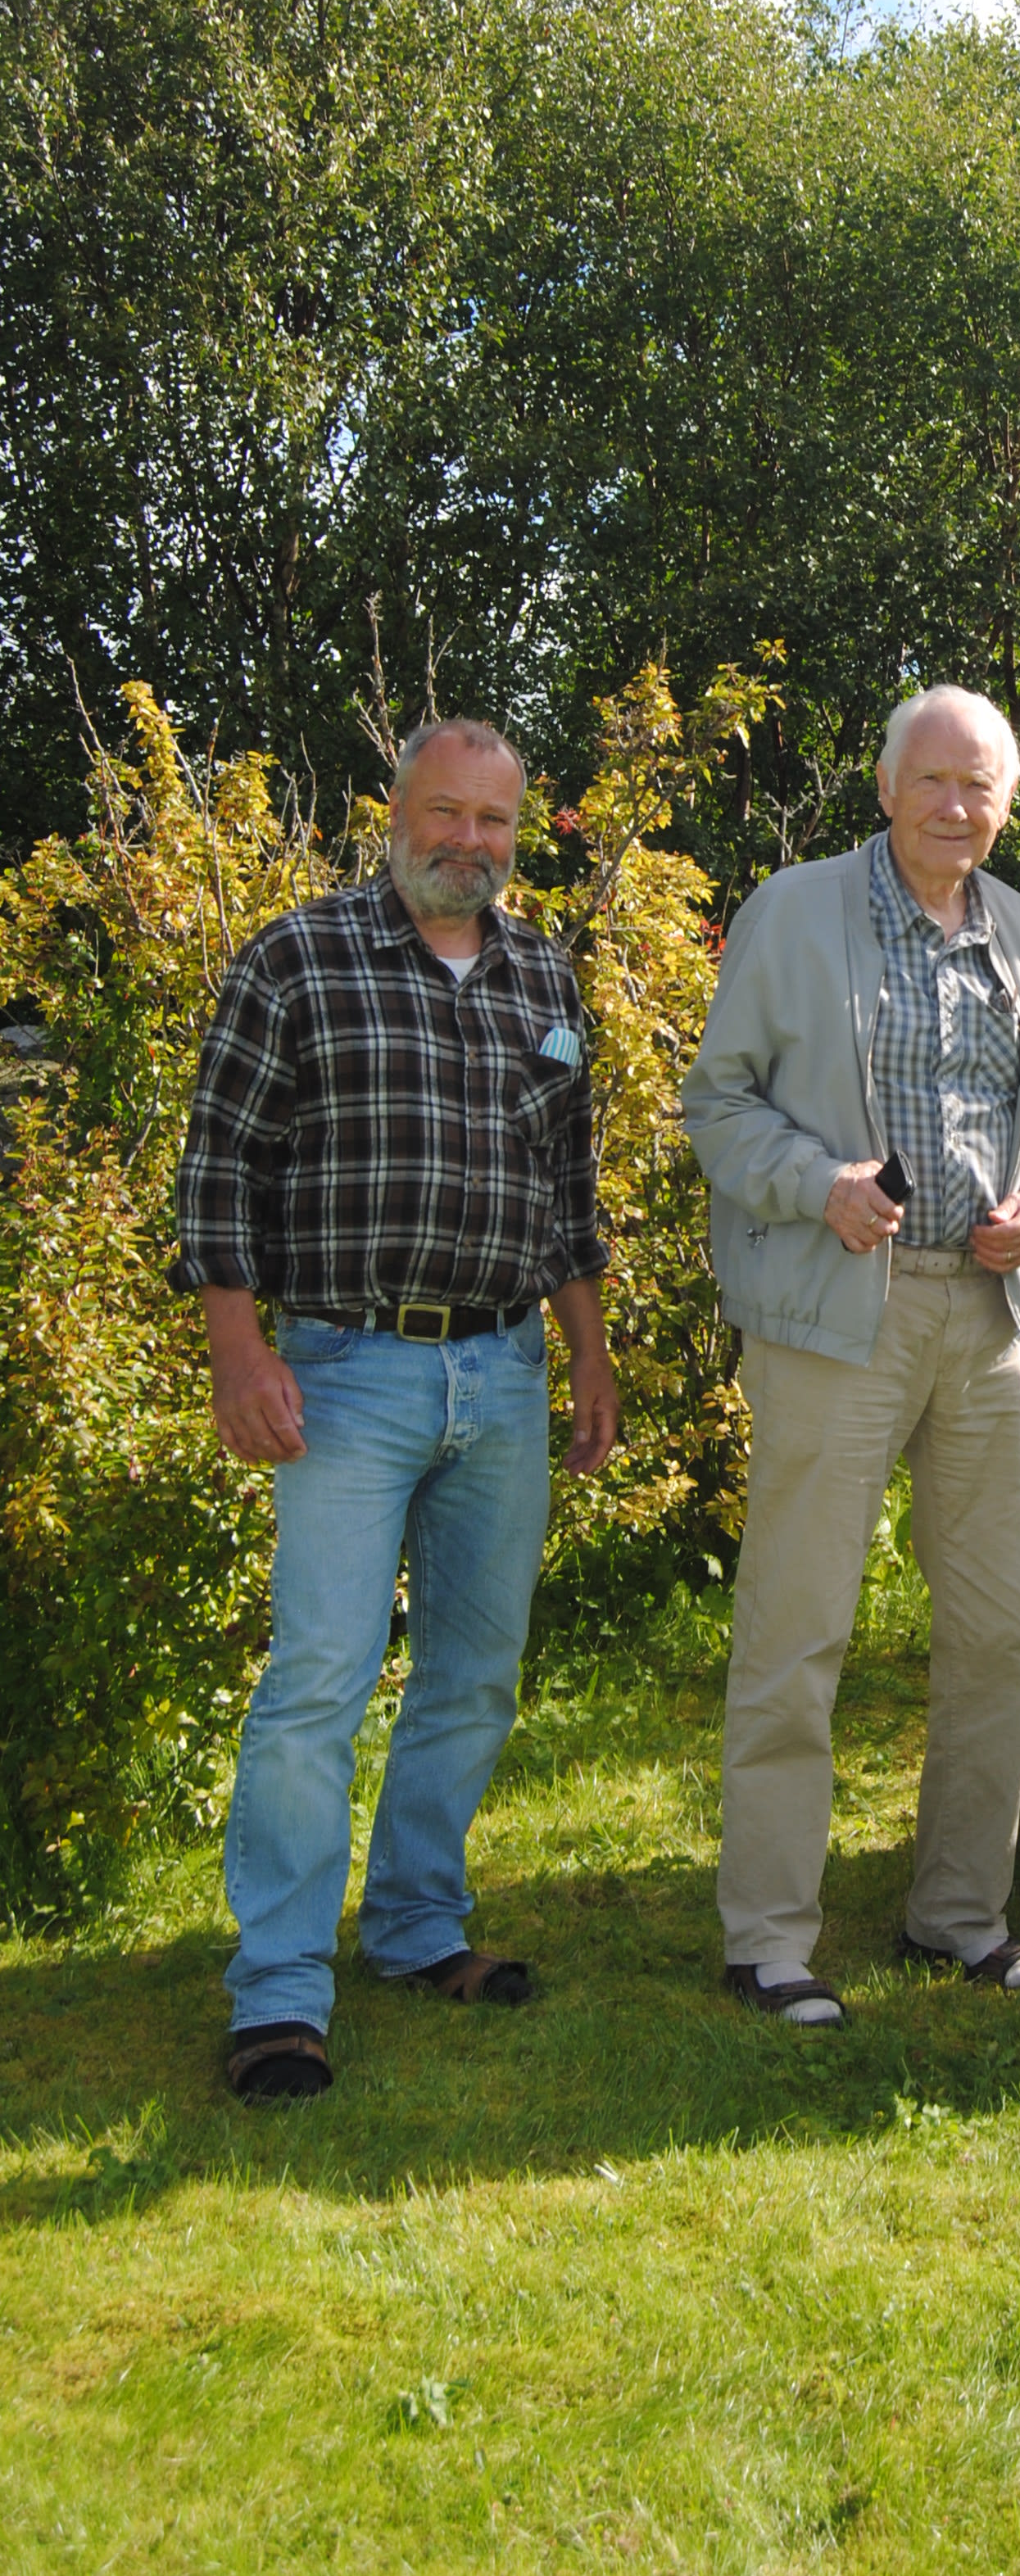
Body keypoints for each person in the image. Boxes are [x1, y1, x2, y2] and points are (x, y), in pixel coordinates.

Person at [175, 719, 620, 2102]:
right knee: (318, 1682)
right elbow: (217, 1173)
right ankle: (279, 1996)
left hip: (502, 1374)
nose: (468, 844)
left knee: (473, 1677)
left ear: (516, 833)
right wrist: (238, 1355)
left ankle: (421, 1927)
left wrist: (590, 1358)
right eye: (446, 814)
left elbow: (566, 1200)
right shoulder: (296, 960)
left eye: (493, 823)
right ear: (396, 812)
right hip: (345, 1373)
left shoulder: (543, 976)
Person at [682, 685, 1020, 2026]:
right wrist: (817, 1183)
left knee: (1005, 1635)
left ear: (1007, 804)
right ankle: (770, 1940)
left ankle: (960, 1913)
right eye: (936, 781)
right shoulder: (794, 912)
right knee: (800, 1630)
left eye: (982, 787)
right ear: (886, 787)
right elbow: (719, 1102)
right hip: (833, 1315)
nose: (958, 807)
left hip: (988, 1325)